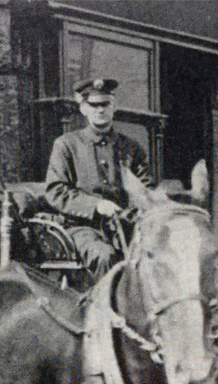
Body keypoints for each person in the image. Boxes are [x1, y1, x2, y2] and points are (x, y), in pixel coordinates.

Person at [45, 77, 151, 283]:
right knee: (105, 257)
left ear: (114, 106)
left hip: (127, 226)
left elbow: (146, 188)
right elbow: (55, 191)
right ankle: (106, 314)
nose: (100, 110)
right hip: (83, 228)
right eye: (94, 105)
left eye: (105, 104)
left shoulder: (131, 148)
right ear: (83, 108)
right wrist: (96, 205)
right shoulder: (67, 145)